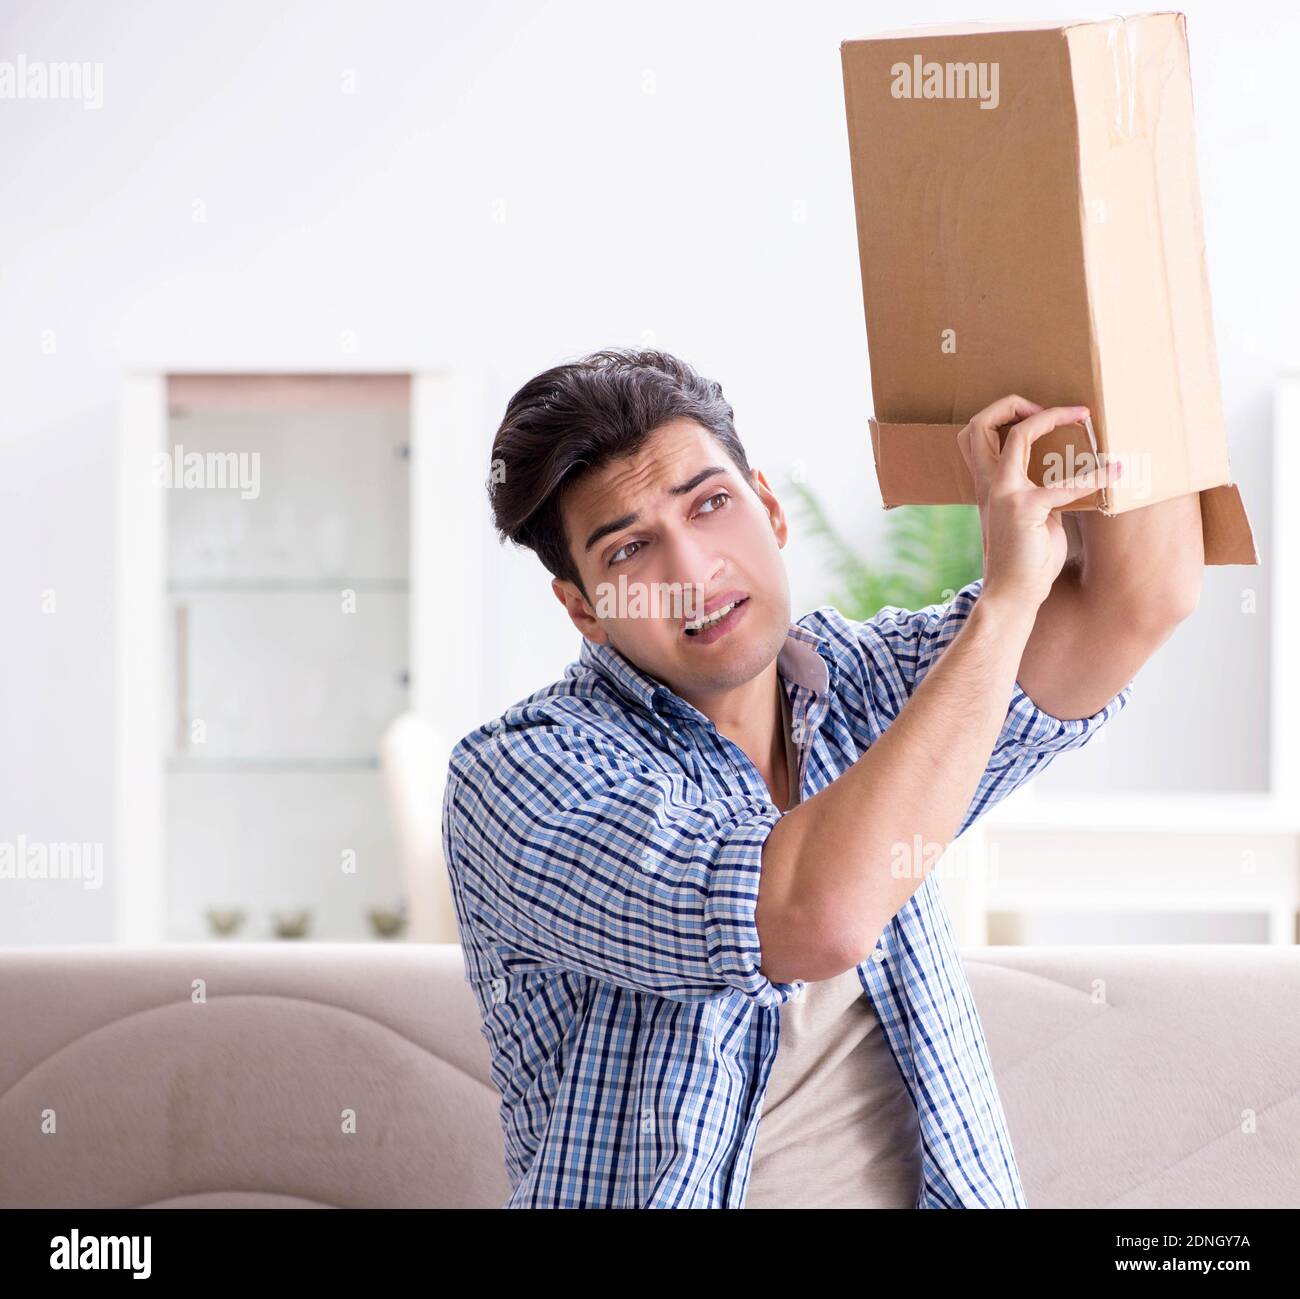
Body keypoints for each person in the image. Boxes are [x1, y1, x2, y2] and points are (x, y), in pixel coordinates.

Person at [440, 348, 1202, 1209]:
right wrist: (1005, 600)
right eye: (629, 551)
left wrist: (1115, 307)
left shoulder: (859, 682)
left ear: (769, 507)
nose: (693, 572)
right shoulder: (523, 773)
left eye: (712, 505)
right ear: (584, 609)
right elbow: (817, 915)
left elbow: (1140, 596)